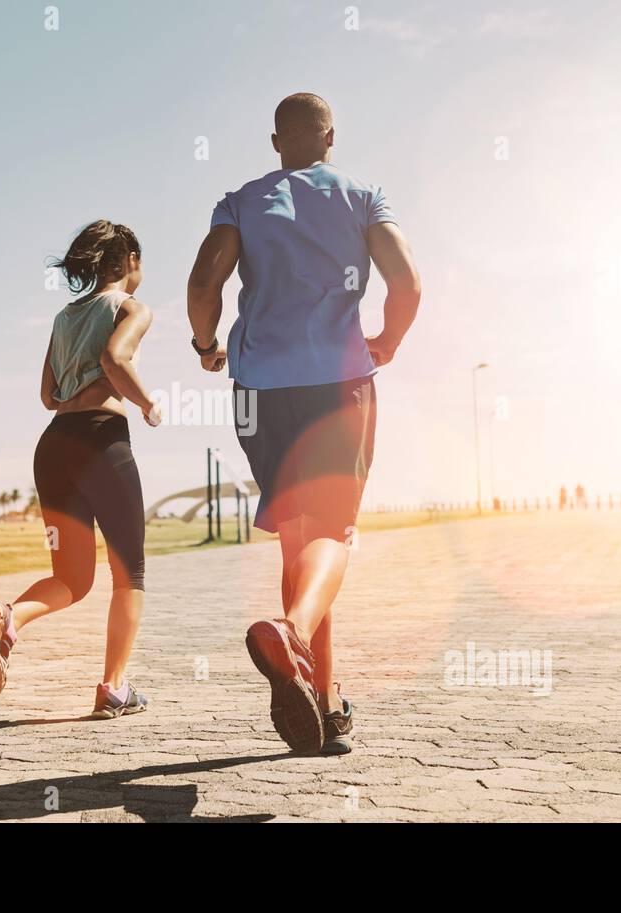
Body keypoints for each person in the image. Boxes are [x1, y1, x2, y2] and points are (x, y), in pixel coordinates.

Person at [186, 93, 422, 754]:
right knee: (333, 533)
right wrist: (389, 340)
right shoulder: (363, 196)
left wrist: (207, 344)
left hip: (259, 389)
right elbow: (406, 282)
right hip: (338, 382)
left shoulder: (241, 200)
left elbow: (206, 280)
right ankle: (291, 632)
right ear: (330, 139)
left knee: (301, 542)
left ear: (275, 142)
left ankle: (323, 702)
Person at [0, 220, 161, 720]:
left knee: (72, 578)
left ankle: (10, 620)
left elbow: (47, 395)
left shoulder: (62, 318)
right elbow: (114, 357)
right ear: (131, 262)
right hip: (102, 440)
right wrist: (147, 403)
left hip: (54, 445)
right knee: (129, 574)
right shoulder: (132, 308)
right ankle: (113, 688)